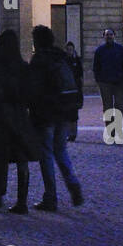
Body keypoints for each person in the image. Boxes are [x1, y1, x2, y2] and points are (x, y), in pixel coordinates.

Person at [0, 30, 43, 213]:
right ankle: (21, 202)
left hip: (2, 118)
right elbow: (30, 94)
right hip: (20, 117)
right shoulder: (23, 66)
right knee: (21, 158)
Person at [25, 25, 83, 210]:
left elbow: (33, 89)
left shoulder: (39, 59)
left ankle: (50, 197)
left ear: (37, 41)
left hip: (47, 113)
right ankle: (74, 185)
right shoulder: (62, 56)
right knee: (61, 151)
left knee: (47, 154)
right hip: (65, 111)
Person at [93, 29, 123, 119]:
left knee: (119, 106)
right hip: (105, 82)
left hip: (118, 82)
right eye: (107, 34)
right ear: (104, 36)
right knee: (107, 107)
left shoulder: (120, 49)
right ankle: (110, 129)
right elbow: (96, 66)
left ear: (114, 36)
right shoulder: (99, 50)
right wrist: (99, 80)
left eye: (111, 34)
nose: (109, 36)